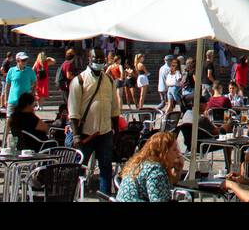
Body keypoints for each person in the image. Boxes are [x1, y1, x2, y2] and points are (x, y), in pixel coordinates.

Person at [68, 48, 122, 195]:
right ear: (89, 59)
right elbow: (73, 111)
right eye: (96, 58)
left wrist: (116, 131)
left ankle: (104, 196)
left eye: (101, 59)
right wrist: (76, 135)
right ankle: (75, 195)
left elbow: (114, 108)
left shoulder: (109, 80)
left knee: (105, 167)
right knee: (79, 167)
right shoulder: (79, 80)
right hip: (85, 133)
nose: (99, 61)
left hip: (105, 132)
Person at [115, 131, 183, 202]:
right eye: (174, 150)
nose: (178, 153)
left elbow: (167, 186)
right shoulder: (156, 170)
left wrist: (177, 170)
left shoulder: (142, 162)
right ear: (164, 153)